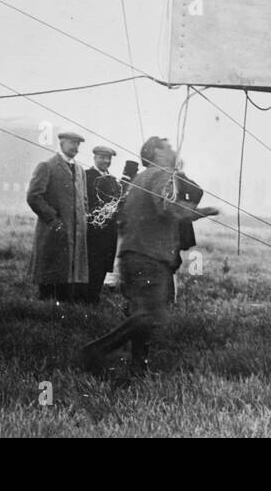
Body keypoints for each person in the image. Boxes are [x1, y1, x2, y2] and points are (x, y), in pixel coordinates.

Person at [81, 136, 219, 376]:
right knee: (153, 314)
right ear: (156, 152)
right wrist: (201, 212)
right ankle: (96, 351)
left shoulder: (140, 178)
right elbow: (167, 207)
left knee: (141, 314)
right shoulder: (162, 175)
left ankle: (138, 369)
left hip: (132, 255)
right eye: (169, 147)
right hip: (150, 257)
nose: (174, 150)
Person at [26, 130, 90, 302]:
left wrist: (83, 220)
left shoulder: (80, 170)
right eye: (71, 143)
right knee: (49, 276)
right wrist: (53, 220)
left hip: (74, 234)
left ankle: (63, 313)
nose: (75, 147)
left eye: (78, 144)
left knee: (68, 278)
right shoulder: (47, 166)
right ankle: (44, 313)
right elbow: (33, 196)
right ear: (61, 143)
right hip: (52, 232)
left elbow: (83, 200)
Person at [82, 145, 123, 304]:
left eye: (109, 158)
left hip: (108, 230)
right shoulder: (86, 176)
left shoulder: (113, 180)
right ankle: (87, 297)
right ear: (94, 158)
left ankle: (95, 295)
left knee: (103, 263)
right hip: (92, 228)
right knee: (91, 262)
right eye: (102, 157)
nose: (106, 161)